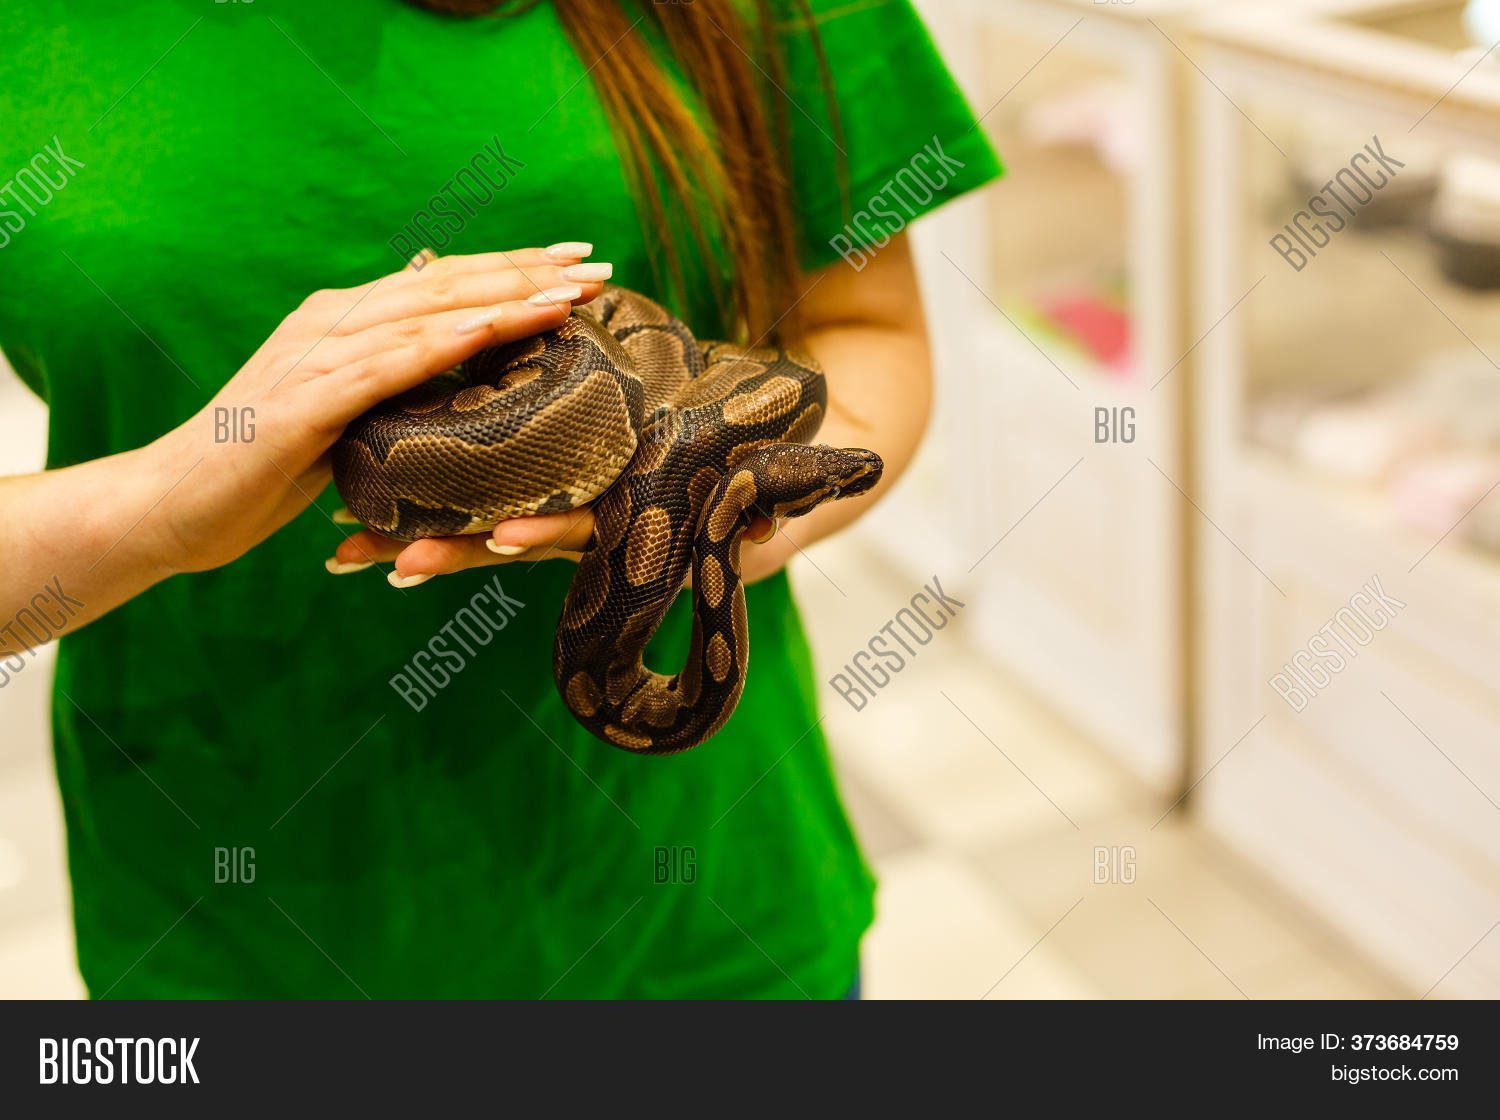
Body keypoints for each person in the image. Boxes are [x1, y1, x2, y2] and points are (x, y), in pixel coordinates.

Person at [0, 0, 999, 998]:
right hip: (222, 935)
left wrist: (720, 528)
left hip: (701, 922)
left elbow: (866, 330)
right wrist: (157, 502)